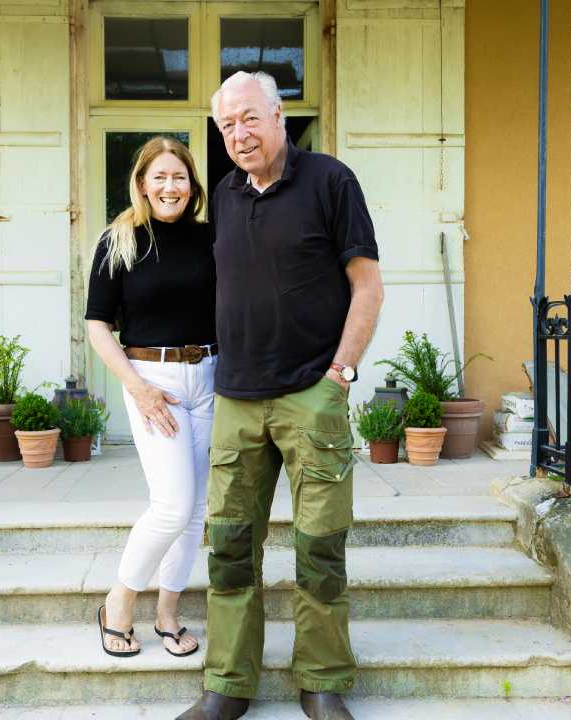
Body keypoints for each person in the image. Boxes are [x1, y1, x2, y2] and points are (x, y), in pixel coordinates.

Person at [178, 72, 384, 720]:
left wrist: (339, 377)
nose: (239, 134)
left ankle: (321, 681)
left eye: (249, 118)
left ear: (278, 117)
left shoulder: (330, 181)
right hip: (237, 399)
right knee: (229, 547)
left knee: (319, 546)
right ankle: (227, 685)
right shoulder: (224, 196)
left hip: (310, 395)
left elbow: (368, 286)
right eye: (227, 125)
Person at [85, 136, 216, 660]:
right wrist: (137, 389)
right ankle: (119, 602)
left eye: (179, 177)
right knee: (172, 505)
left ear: (192, 186)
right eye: (159, 177)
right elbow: (97, 325)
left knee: (194, 510)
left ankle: (167, 613)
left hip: (209, 375)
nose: (170, 186)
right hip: (152, 379)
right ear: (141, 184)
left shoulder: (211, 238)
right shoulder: (119, 240)